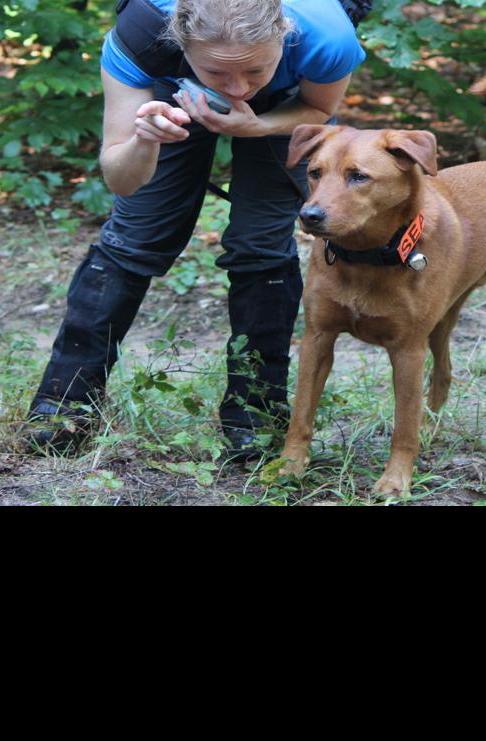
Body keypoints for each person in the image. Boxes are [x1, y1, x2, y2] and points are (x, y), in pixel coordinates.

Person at [24, 0, 369, 462]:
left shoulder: (327, 36)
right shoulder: (140, 35)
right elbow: (121, 179)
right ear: (181, 45)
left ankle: (255, 417)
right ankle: (62, 406)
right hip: (170, 91)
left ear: (284, 37)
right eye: (217, 72)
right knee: (133, 239)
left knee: (260, 245)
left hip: (286, 106)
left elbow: (317, 107)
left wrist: (257, 124)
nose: (237, 87)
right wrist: (145, 138)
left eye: (253, 70)